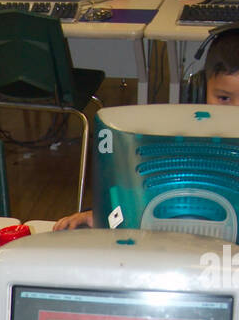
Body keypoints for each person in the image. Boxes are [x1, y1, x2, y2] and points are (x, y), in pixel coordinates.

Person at [55, 29, 239, 229]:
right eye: (224, 98)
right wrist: (101, 215)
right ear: (200, 91)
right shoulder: (187, 142)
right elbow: (140, 191)